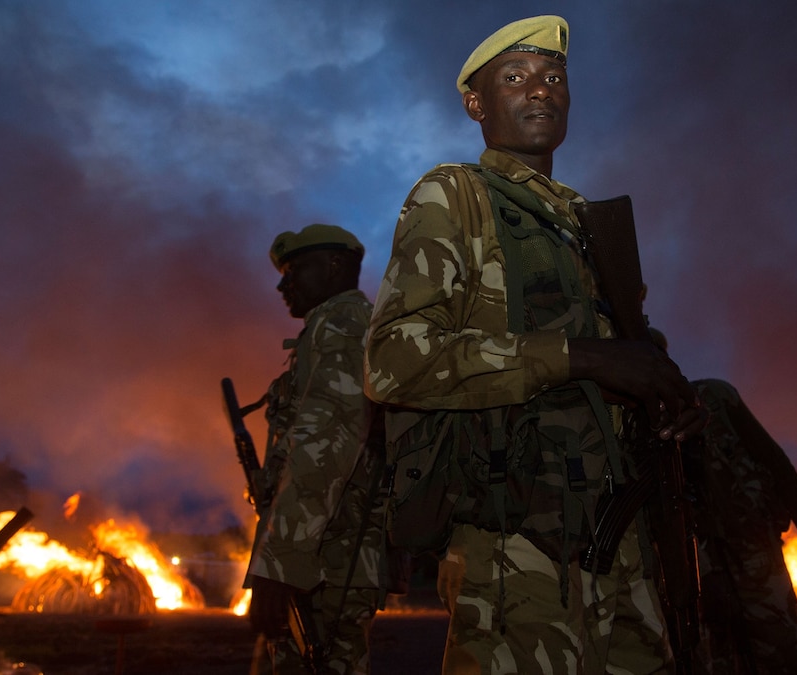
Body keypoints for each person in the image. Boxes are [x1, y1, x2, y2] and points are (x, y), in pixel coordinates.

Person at [364, 16, 704, 674]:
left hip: (620, 539)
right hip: (515, 542)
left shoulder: (585, 221)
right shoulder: (455, 195)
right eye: (515, 78)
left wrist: (665, 398)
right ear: (477, 105)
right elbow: (394, 361)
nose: (541, 89)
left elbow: (620, 362)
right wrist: (578, 356)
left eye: (554, 78)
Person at [651, 327, 797, 675]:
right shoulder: (638, 426)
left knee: (781, 654)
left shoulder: (716, 399)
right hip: (696, 569)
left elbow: (776, 463)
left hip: (754, 554)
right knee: (710, 658)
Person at [246, 223, 384, 675]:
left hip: (326, 560)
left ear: (335, 265)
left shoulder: (344, 323)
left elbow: (326, 445)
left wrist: (280, 563)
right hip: (323, 554)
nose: (282, 285)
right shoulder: (329, 327)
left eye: (294, 271)